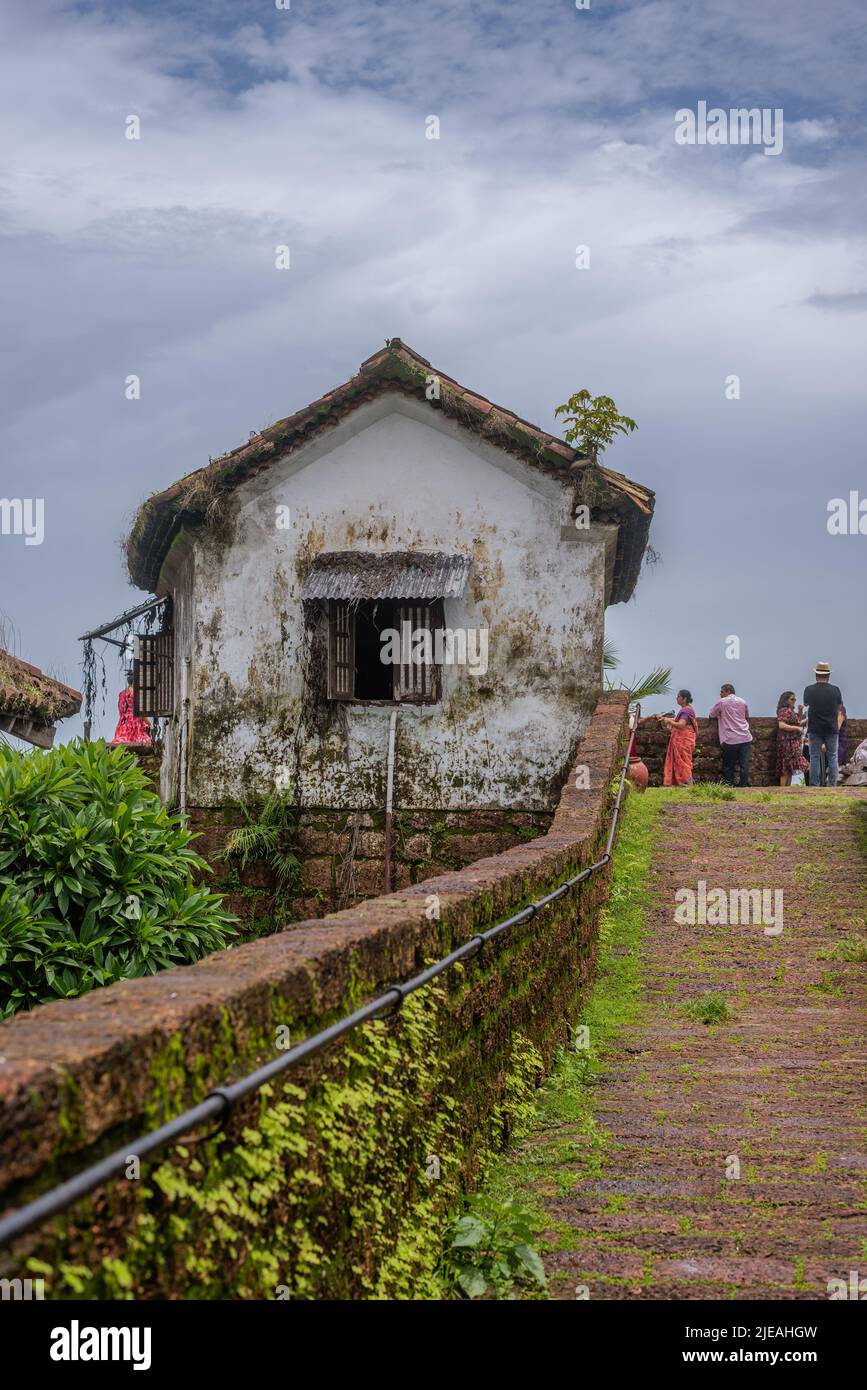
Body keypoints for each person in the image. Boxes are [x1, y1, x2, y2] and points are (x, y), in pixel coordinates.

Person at [802, 662, 843, 788]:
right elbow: (839, 707)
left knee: (814, 757)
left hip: (815, 728)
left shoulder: (809, 689)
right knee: (832, 757)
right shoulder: (835, 690)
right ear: (828, 676)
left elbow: (806, 704)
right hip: (831, 727)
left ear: (816, 675)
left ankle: (814, 784)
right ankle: (832, 784)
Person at [708, 683, 753, 787]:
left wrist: (720, 715)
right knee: (744, 764)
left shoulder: (722, 702)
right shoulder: (743, 701)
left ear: (728, 691)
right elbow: (746, 716)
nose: (720, 694)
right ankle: (743, 785)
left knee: (728, 765)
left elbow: (712, 714)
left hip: (730, 737)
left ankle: (729, 785)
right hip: (745, 736)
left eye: (722, 692)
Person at [659, 689, 698, 786]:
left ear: (684, 699)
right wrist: (665, 718)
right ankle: (682, 782)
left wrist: (669, 721)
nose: (677, 698)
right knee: (683, 761)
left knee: (683, 761)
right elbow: (678, 719)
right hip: (684, 740)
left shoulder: (686, 711)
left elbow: (681, 724)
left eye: (678, 696)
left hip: (683, 740)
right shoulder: (688, 709)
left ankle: (686, 782)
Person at [110, 670, 153, 747]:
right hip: (136, 721)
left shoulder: (122, 693)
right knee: (142, 741)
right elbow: (141, 711)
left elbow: (121, 710)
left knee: (122, 741)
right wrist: (149, 724)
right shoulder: (138, 693)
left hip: (125, 721)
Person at [775, 691, 806, 786]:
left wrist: (800, 711)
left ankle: (787, 790)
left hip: (792, 742)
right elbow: (781, 725)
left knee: (789, 768)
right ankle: (783, 790)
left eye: (795, 699)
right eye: (792, 699)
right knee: (786, 768)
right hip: (787, 742)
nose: (794, 701)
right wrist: (797, 728)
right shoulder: (784, 710)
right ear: (785, 700)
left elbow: (797, 721)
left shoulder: (790, 710)